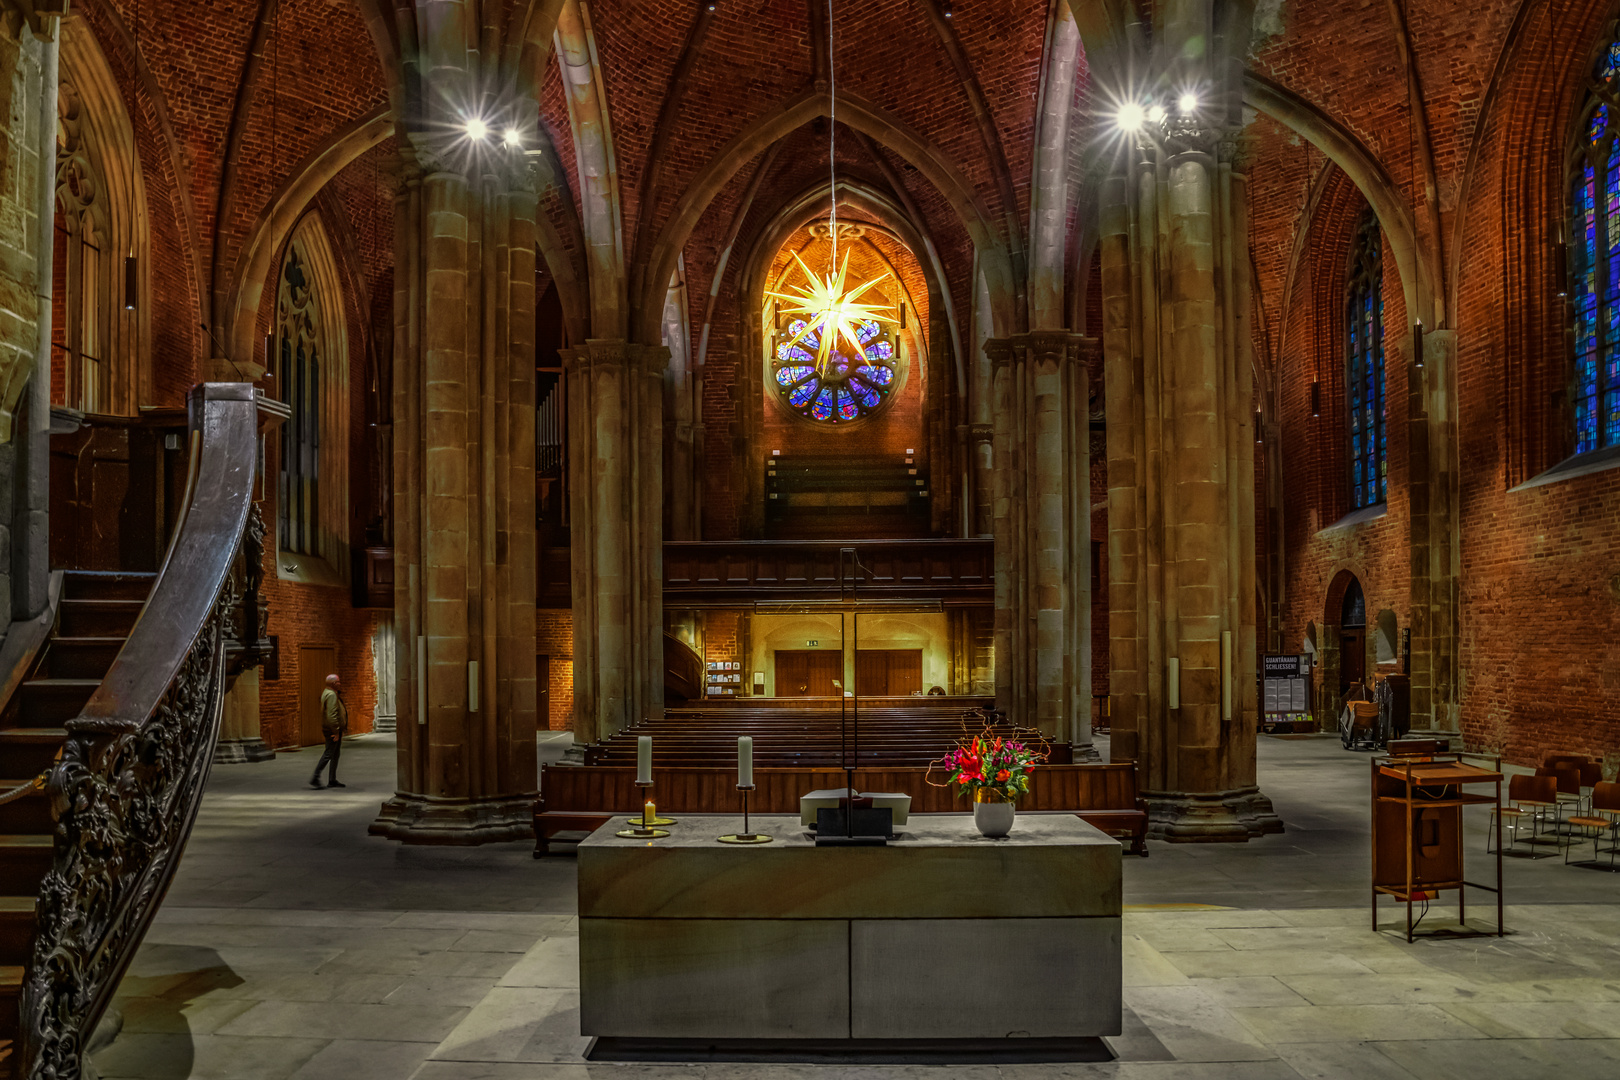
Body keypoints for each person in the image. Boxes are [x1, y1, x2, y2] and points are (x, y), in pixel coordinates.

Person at [310, 674, 348, 789]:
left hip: (333, 729)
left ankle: (332, 779)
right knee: (329, 753)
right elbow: (331, 715)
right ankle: (315, 777)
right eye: (338, 682)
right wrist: (335, 731)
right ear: (333, 684)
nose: (340, 684)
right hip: (331, 729)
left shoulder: (328, 692)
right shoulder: (331, 695)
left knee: (335, 754)